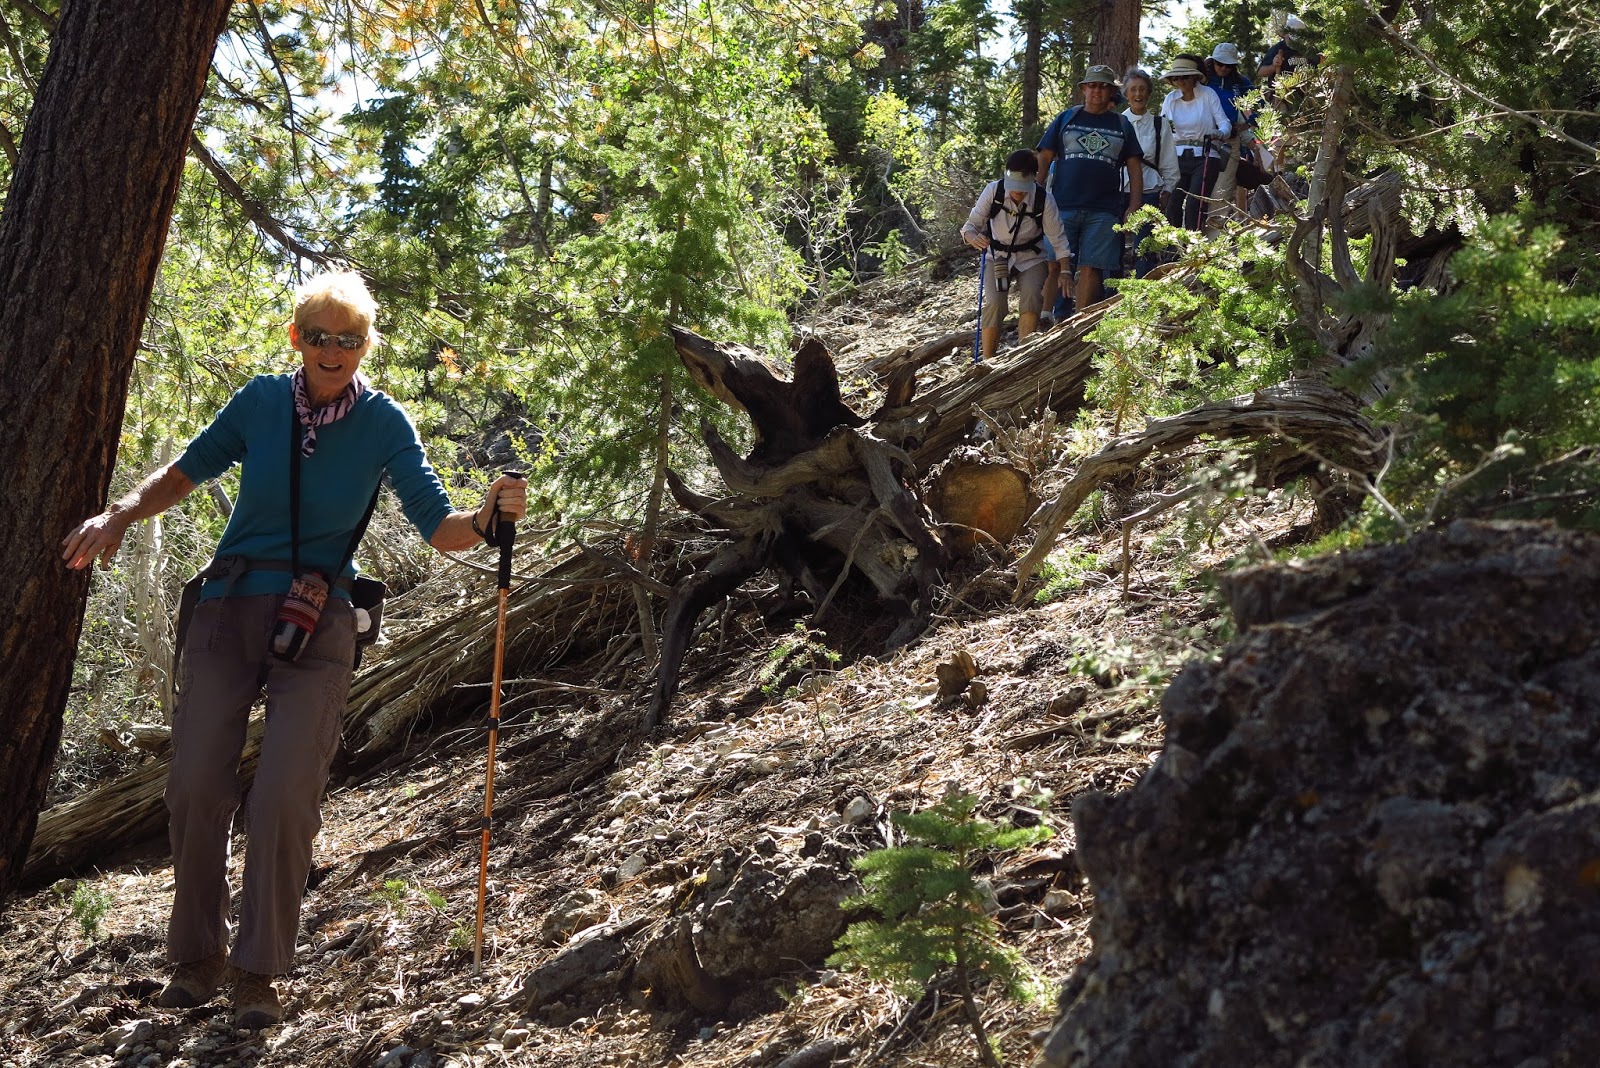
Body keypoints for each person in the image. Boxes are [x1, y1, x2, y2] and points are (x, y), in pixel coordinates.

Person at [62, 272, 529, 1029]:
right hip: (227, 606)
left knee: (284, 794)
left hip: (321, 621)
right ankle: (195, 961)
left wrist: (485, 519)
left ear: (366, 346)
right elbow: (187, 471)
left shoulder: (384, 424)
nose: (334, 350)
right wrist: (119, 513)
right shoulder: (258, 402)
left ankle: (257, 974)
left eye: (350, 339)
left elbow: (438, 526)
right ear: (297, 340)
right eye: (320, 336)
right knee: (193, 785)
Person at [1036, 65, 1144, 312]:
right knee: (1055, 264)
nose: (1097, 90)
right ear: (1084, 89)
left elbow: (1134, 168)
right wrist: (1035, 194)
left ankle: (1078, 325)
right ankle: (1047, 322)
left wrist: (1134, 205)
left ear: (1111, 92)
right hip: (1061, 205)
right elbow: (1045, 156)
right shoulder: (1066, 118)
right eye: (1092, 85)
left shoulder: (1122, 124)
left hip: (1104, 209)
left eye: (1103, 86)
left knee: (1092, 266)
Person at [960, 149, 1069, 360]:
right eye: (1013, 188)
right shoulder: (994, 191)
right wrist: (974, 238)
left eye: (1021, 189)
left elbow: (1059, 239)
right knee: (994, 303)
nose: (1016, 193)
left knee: (1031, 297)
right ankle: (987, 361)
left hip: (1031, 257)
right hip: (997, 256)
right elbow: (969, 227)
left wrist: (1065, 270)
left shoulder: (1044, 200)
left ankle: (1022, 357)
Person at [1160, 55, 1231, 231]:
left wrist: (1220, 133)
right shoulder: (1170, 99)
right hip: (1177, 157)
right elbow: (1163, 127)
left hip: (1205, 155)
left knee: (1195, 203)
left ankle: (1194, 248)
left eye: (1184, 76)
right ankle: (1172, 248)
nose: (1180, 81)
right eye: (1176, 77)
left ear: (1194, 77)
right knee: (1173, 202)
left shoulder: (1208, 94)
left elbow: (1225, 123)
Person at [1121, 67, 1179, 277]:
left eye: (1142, 89)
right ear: (1126, 94)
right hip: (1119, 190)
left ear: (1149, 93)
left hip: (1149, 190)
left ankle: (1144, 292)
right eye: (1133, 89)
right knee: (1113, 246)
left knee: (1144, 246)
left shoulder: (1159, 124)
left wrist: (1168, 189)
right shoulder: (1116, 122)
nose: (1138, 94)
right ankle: (1110, 296)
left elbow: (1169, 162)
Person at [1205, 43, 1255, 224]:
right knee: (1201, 189)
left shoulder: (1240, 83)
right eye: (1220, 63)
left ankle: (1214, 236)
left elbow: (1258, 108)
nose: (1223, 68)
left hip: (1230, 143)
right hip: (1203, 141)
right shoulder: (1202, 79)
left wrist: (1248, 125)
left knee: (1222, 190)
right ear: (1213, 62)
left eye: (1228, 65)